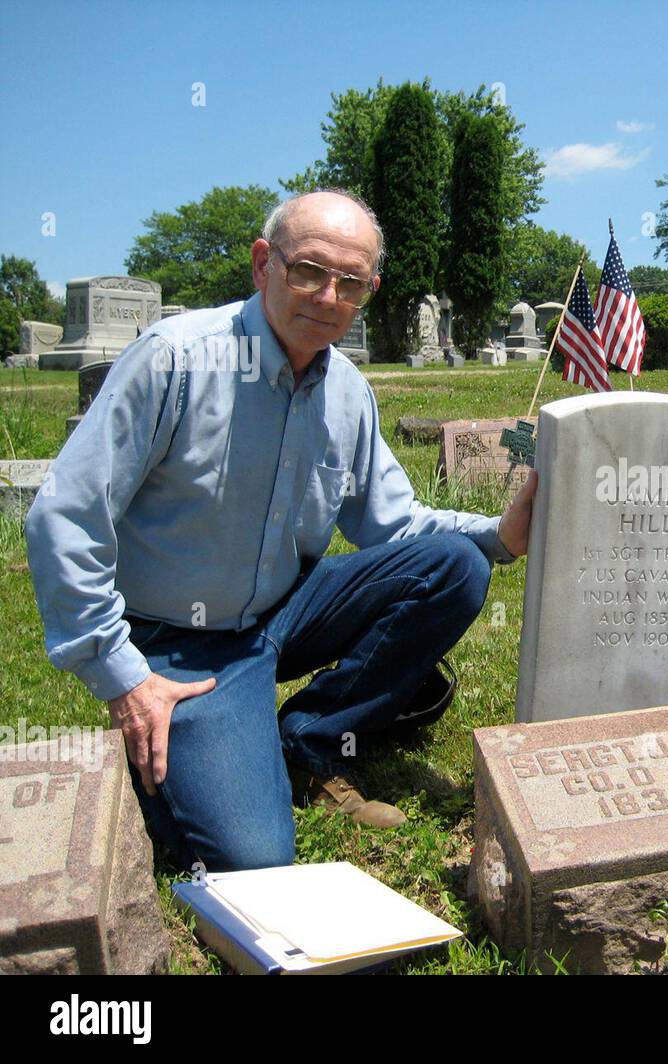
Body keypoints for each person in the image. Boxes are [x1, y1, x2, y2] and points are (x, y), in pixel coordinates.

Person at [26, 189, 537, 871]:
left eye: (350, 283)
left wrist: (502, 535)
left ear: (369, 292)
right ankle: (181, 746)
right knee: (253, 858)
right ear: (263, 263)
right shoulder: (174, 360)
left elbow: (391, 522)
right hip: (179, 645)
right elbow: (66, 512)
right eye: (309, 272)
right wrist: (123, 676)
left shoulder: (348, 390)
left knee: (455, 567)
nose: (328, 297)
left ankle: (308, 739)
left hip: (285, 608)